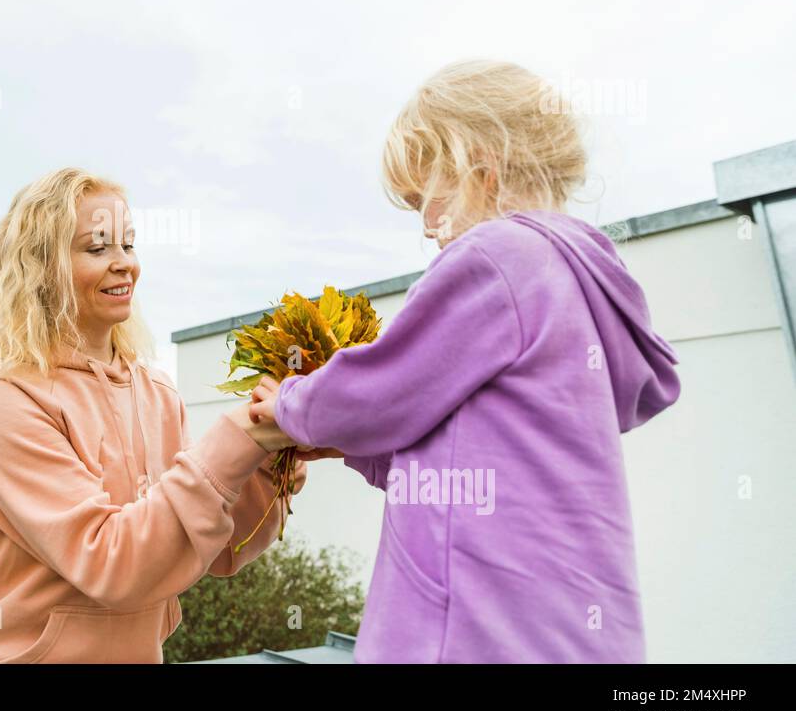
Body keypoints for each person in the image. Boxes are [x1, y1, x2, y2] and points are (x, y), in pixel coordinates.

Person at [251, 59, 681, 663]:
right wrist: (352, 446)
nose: (427, 227)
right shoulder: (576, 284)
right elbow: (459, 449)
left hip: (470, 635)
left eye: (426, 197)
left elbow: (381, 391)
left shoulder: (499, 256)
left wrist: (292, 404)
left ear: (480, 169)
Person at [0, 168, 311, 663]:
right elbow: (114, 564)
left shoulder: (156, 392)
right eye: (98, 248)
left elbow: (216, 549)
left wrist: (267, 464)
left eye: (128, 246)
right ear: (41, 267)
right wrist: (240, 437)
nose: (124, 265)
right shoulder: (5, 396)